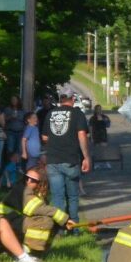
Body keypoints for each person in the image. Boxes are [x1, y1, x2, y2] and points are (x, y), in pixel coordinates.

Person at [0, 167, 74, 262]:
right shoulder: (22, 189)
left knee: (51, 221)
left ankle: (32, 253)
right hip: (5, 224)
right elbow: (36, 208)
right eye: (26, 177)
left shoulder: (38, 195)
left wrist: (63, 224)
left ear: (42, 183)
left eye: (33, 180)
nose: (28, 181)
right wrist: (64, 219)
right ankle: (27, 255)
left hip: (12, 223)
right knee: (44, 221)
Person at [42, 94, 90, 224]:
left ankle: (60, 227)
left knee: (57, 196)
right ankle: (73, 226)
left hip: (52, 160)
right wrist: (86, 157)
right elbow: (82, 134)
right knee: (72, 196)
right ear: (73, 99)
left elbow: (44, 137)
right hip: (70, 158)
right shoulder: (77, 113)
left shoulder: (50, 113)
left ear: (60, 100)